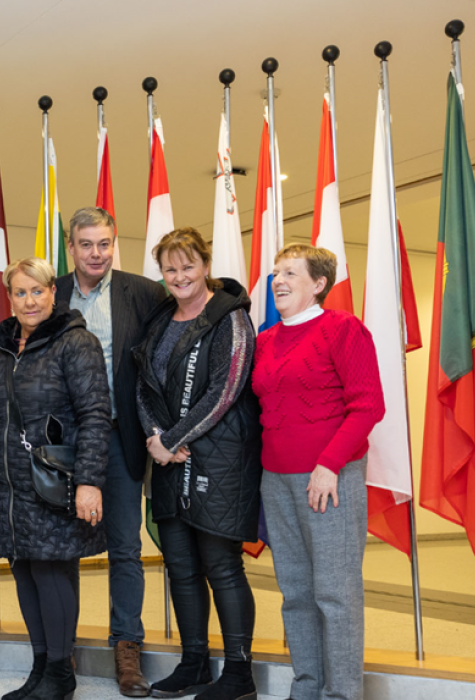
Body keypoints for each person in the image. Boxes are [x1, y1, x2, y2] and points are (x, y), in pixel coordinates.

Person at [133, 229, 261, 700]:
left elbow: (225, 390)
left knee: (221, 565)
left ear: (204, 266)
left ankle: (238, 674)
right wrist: (158, 439)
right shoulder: (160, 318)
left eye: (188, 266)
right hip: (169, 458)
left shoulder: (231, 317)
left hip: (220, 458)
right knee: (180, 567)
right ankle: (193, 663)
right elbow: (143, 384)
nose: (179, 276)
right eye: (170, 268)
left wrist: (172, 439)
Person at [252, 243, 385, 700]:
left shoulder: (343, 329)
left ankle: (341, 694)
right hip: (276, 480)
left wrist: (329, 465)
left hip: (329, 479)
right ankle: (306, 687)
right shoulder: (265, 340)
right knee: (296, 594)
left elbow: (368, 406)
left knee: (335, 595)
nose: (278, 281)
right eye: (275, 273)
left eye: (290, 272)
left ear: (319, 283)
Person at [0, 257, 110, 700]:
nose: (29, 300)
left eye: (38, 290)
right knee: (26, 571)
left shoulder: (76, 342)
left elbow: (94, 415)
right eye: (20, 292)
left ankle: (60, 673)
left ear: (54, 293)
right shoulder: (2, 349)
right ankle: (40, 669)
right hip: (9, 485)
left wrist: (89, 481)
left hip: (54, 482)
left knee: (52, 572)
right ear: (9, 298)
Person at [54, 207, 165, 697]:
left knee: (125, 547)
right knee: (64, 548)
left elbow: (164, 360)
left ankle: (127, 646)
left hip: (121, 440)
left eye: (104, 243)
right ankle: (62, 650)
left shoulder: (143, 292)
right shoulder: (50, 293)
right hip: (63, 447)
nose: (96, 253)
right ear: (71, 247)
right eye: (86, 244)